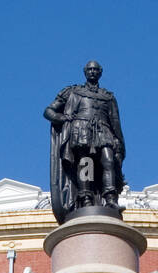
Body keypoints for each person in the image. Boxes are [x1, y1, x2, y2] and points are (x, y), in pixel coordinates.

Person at [45, 60, 125, 223]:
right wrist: (63, 118)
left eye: (96, 69)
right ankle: (85, 197)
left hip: (104, 130)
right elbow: (49, 111)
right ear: (85, 72)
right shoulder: (73, 91)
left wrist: (118, 141)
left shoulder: (108, 97)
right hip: (81, 130)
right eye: (90, 69)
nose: (92, 72)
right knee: (85, 163)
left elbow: (115, 121)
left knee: (108, 162)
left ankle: (110, 199)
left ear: (100, 72)